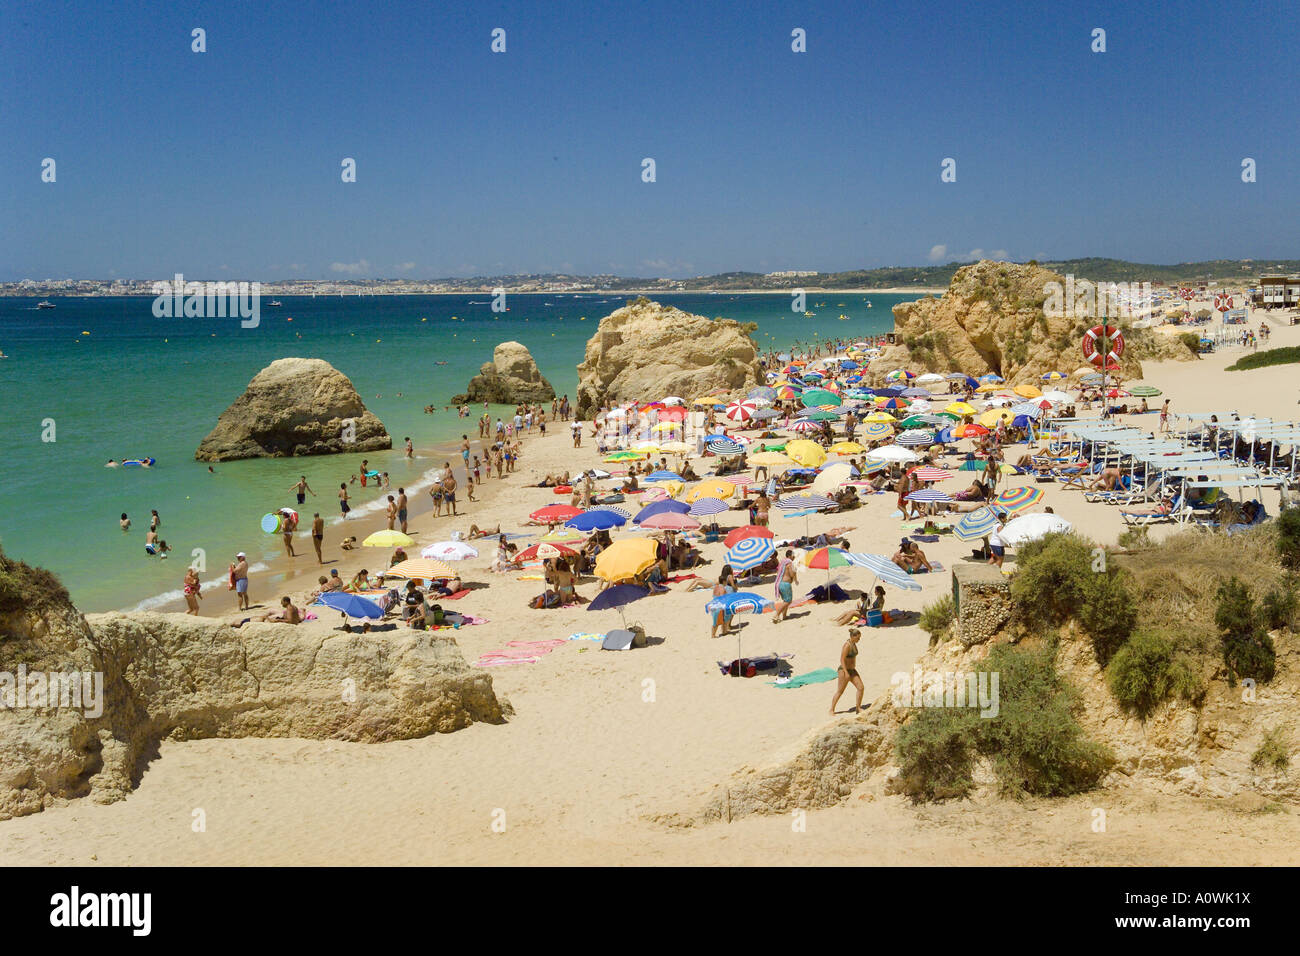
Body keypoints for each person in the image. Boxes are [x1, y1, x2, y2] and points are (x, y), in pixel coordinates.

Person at [830, 629, 865, 715]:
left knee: (861, 688)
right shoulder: (847, 645)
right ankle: (831, 709)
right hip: (844, 670)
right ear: (853, 636)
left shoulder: (853, 644)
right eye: (858, 638)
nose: (859, 640)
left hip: (852, 670)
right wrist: (846, 672)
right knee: (840, 691)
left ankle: (858, 708)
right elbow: (842, 659)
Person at [710, 565, 737, 639]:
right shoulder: (723, 589)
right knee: (724, 619)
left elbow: (714, 596)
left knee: (715, 622)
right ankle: (724, 631)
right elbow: (723, 598)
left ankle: (713, 634)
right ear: (724, 581)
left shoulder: (716, 588)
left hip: (714, 606)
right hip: (720, 607)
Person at [772, 550, 797, 623]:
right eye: (793, 556)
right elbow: (792, 575)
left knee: (785, 600)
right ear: (790, 556)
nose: (794, 557)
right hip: (785, 584)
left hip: (780, 583)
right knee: (788, 601)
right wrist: (795, 569)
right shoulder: (789, 563)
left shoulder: (783, 562)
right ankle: (776, 614)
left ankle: (784, 615)